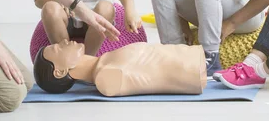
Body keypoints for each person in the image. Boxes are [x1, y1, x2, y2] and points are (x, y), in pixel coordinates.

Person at [33, 39, 207, 96]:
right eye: (57, 48)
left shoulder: (105, 63)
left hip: (193, 58)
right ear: (60, 71)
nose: (63, 41)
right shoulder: (105, 79)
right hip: (192, 71)